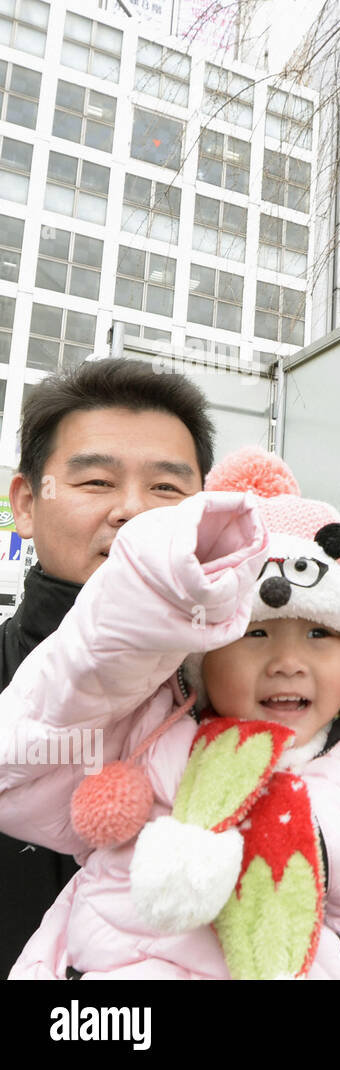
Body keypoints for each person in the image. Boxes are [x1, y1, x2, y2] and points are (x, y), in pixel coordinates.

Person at [0, 448, 340, 978]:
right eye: (255, 634)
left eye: (319, 634)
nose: (289, 662)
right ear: (201, 659)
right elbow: (24, 760)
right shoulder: (149, 728)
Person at [0, 357, 214, 976]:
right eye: (95, 482)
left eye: (167, 488)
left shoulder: (274, 696)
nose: (133, 511)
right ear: (26, 504)